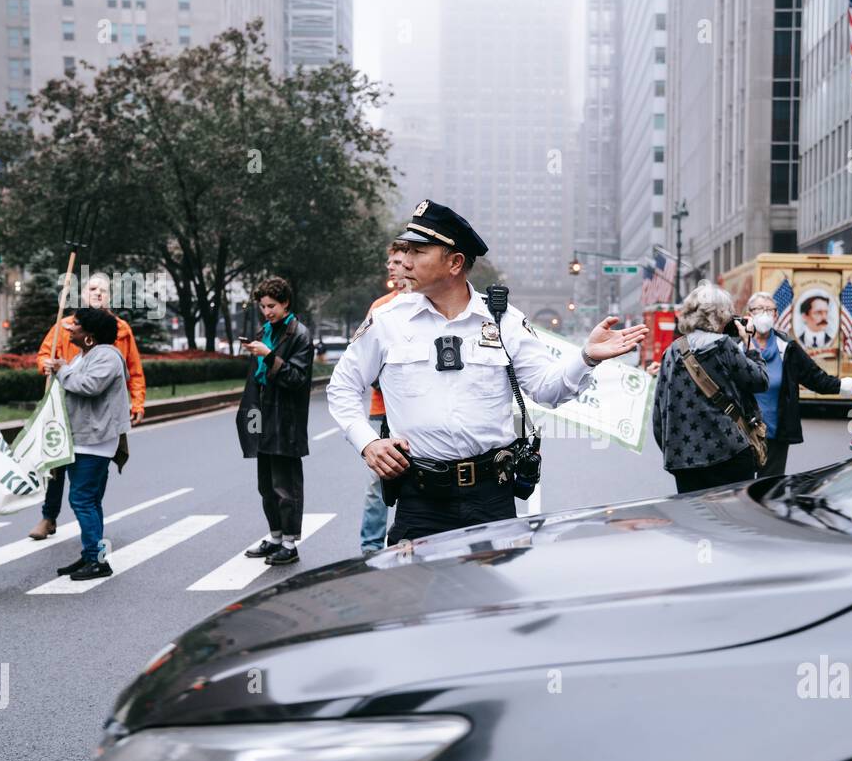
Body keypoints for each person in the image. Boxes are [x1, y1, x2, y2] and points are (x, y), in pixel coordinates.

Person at [327, 199, 647, 544]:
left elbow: (545, 389)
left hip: (490, 498)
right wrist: (368, 442)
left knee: (489, 596)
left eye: (419, 251)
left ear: (454, 262)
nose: (404, 260)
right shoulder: (387, 320)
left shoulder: (503, 320)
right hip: (420, 500)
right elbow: (342, 387)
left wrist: (586, 356)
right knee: (418, 597)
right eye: (405, 250)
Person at [30, 272, 147, 541]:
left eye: (102, 290)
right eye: (92, 288)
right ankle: (49, 516)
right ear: (82, 294)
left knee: (89, 482)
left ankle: (92, 533)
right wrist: (47, 366)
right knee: (56, 466)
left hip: (97, 417)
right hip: (65, 411)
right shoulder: (66, 325)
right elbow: (44, 356)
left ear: (109, 296)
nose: (97, 293)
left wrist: (137, 401)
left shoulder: (119, 330)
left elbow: (133, 369)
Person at [653, 281, 768, 493]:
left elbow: (659, 415)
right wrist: (750, 344)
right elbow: (760, 381)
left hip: (684, 460)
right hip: (729, 452)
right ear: (720, 315)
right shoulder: (724, 346)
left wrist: (676, 450)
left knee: (696, 521)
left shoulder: (671, 352)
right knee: (732, 519)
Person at [43, 306, 131, 581]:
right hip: (83, 438)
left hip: (94, 440)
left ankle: (96, 560)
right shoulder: (87, 354)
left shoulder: (107, 356)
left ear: (90, 335)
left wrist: (63, 370)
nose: (69, 328)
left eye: (76, 324)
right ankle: (91, 554)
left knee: (82, 499)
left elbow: (90, 386)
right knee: (90, 499)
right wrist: (58, 371)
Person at [236, 277, 314, 566]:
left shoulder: (299, 334)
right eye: (263, 306)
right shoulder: (264, 330)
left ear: (285, 304)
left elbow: (296, 378)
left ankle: (290, 543)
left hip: (287, 420)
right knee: (266, 485)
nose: (267, 311)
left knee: (286, 486)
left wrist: (269, 356)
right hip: (263, 416)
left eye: (272, 306)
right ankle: (275, 537)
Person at [747, 291, 852, 478]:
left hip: (775, 435)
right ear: (749, 313)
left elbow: (816, 378)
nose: (764, 314)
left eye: (769, 310)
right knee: (736, 489)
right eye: (759, 309)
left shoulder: (787, 348)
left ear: (776, 315)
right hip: (740, 435)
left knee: (768, 488)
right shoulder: (735, 346)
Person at [358, 242, 412, 554]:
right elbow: (363, 360)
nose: (390, 267)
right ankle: (370, 549)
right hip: (382, 410)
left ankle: (410, 540)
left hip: (418, 411)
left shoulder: (429, 303)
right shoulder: (379, 307)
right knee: (378, 482)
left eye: (396, 261)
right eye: (388, 261)